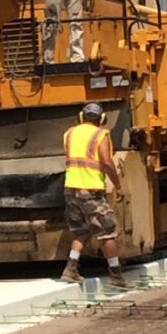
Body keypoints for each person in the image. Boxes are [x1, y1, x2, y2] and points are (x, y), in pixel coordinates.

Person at [58, 102, 125, 286]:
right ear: (102, 119)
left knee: (81, 231)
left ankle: (70, 269)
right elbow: (106, 160)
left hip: (71, 188)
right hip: (91, 190)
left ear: (81, 117)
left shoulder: (69, 134)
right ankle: (116, 275)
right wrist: (118, 185)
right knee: (107, 233)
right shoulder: (100, 134)